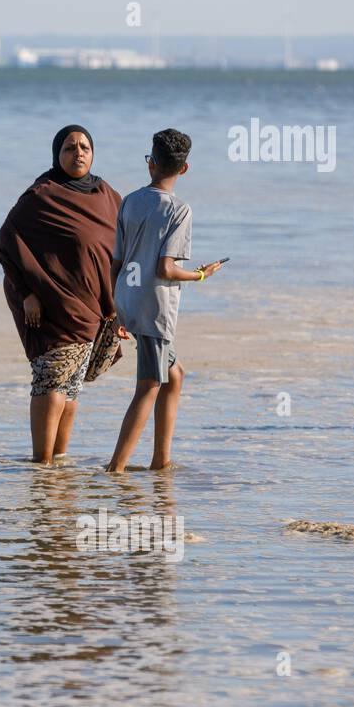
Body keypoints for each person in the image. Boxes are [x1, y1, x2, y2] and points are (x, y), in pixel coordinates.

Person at [0, 124, 123, 463]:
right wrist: (26, 294)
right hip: (51, 305)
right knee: (51, 383)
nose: (78, 153)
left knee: (72, 388)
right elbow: (6, 243)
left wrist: (122, 306)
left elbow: (122, 250)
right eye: (69, 148)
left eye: (84, 147)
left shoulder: (107, 195)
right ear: (57, 155)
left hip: (94, 308)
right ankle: (42, 465)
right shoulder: (42, 196)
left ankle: (59, 462)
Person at [106, 129, 223, 472]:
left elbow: (116, 261)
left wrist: (117, 309)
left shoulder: (129, 200)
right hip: (155, 309)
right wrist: (201, 275)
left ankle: (161, 462)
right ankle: (116, 469)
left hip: (128, 298)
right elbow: (166, 269)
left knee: (175, 375)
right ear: (183, 170)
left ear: (151, 164)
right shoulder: (180, 210)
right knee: (149, 385)